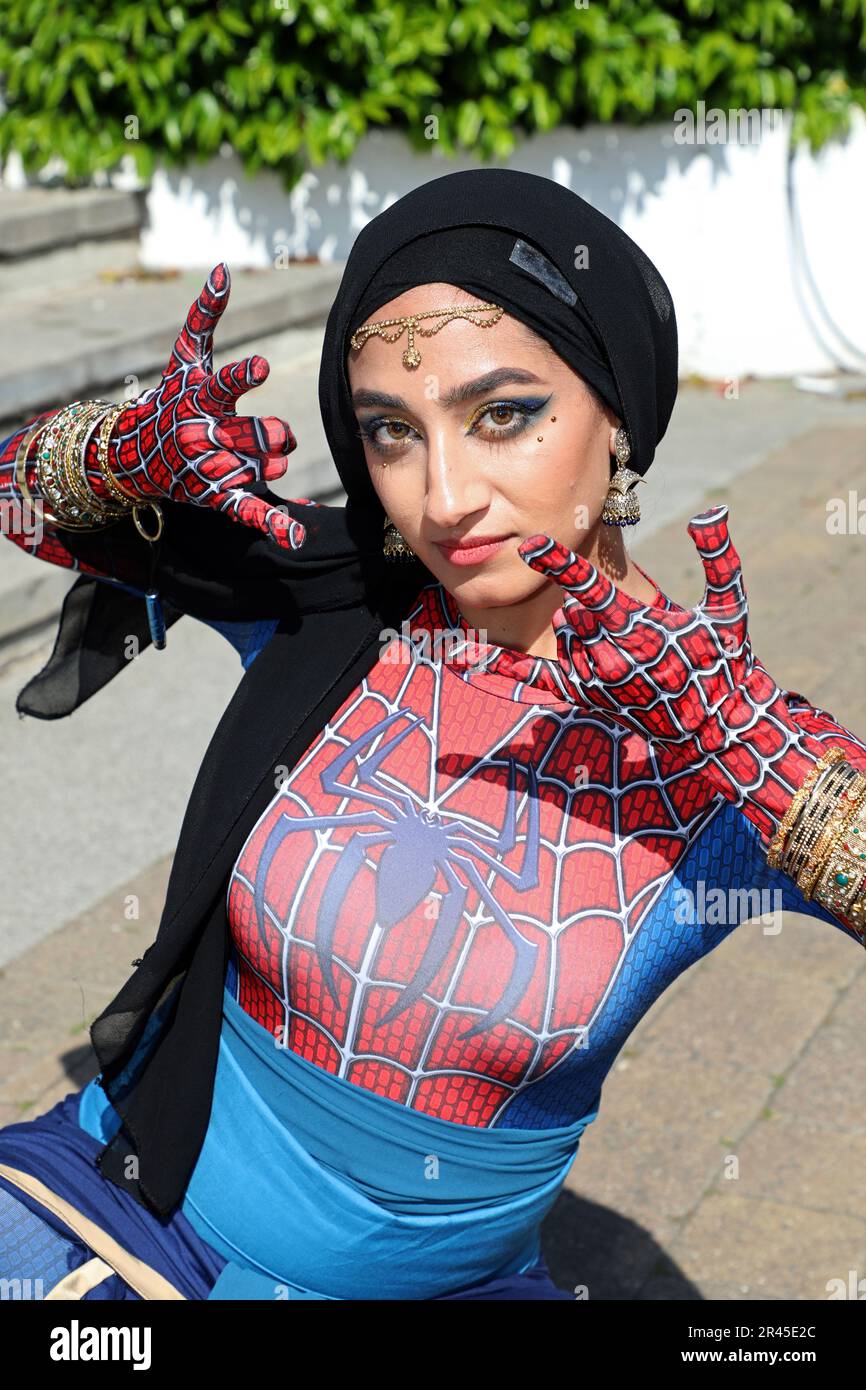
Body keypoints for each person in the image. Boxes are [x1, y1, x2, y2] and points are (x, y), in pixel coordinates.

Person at [0, 167, 864, 1301]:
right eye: (390, 432)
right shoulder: (337, 597)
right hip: (128, 1211)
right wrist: (112, 453)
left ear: (618, 414)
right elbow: (22, 503)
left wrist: (773, 764)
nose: (443, 496)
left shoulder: (718, 736)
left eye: (502, 414)